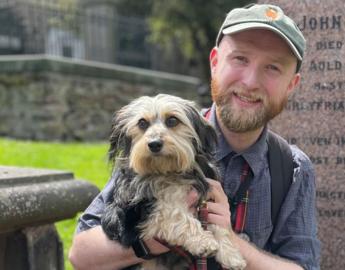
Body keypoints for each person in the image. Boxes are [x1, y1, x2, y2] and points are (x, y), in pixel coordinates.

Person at [69, 3, 320, 270]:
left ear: (291, 85)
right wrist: (156, 238)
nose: (250, 81)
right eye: (240, 59)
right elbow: (82, 256)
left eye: (273, 67)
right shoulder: (154, 143)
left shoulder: (293, 168)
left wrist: (231, 240)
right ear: (214, 62)